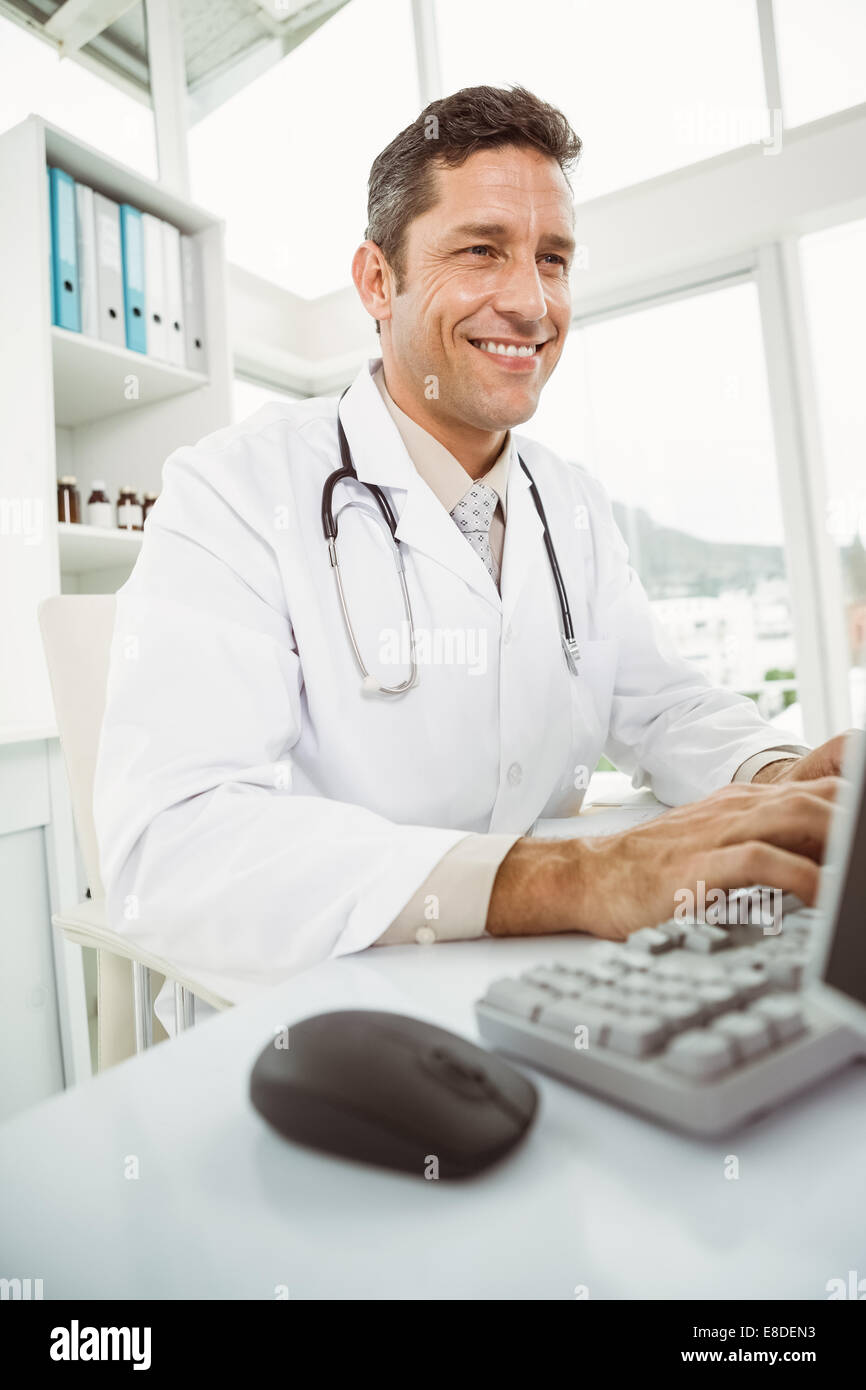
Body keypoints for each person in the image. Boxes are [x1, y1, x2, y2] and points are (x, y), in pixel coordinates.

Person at [93, 85, 854, 1011]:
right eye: (482, 250)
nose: (532, 302)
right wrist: (568, 879)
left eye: (555, 259)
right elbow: (168, 850)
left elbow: (660, 705)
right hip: (309, 1012)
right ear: (378, 282)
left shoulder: (569, 501)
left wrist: (776, 775)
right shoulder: (235, 491)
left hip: (541, 989)